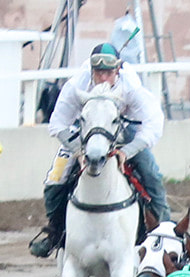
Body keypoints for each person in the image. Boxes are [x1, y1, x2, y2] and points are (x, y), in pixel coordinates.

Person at [29, 43, 171, 258]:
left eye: (109, 73)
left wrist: (128, 151)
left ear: (118, 70)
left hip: (122, 131)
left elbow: (153, 123)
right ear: (91, 70)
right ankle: (55, 232)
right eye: (98, 72)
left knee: (151, 173)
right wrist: (77, 150)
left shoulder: (131, 86)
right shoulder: (76, 85)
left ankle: (165, 232)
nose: (103, 78)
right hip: (84, 133)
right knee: (55, 178)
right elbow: (57, 123)